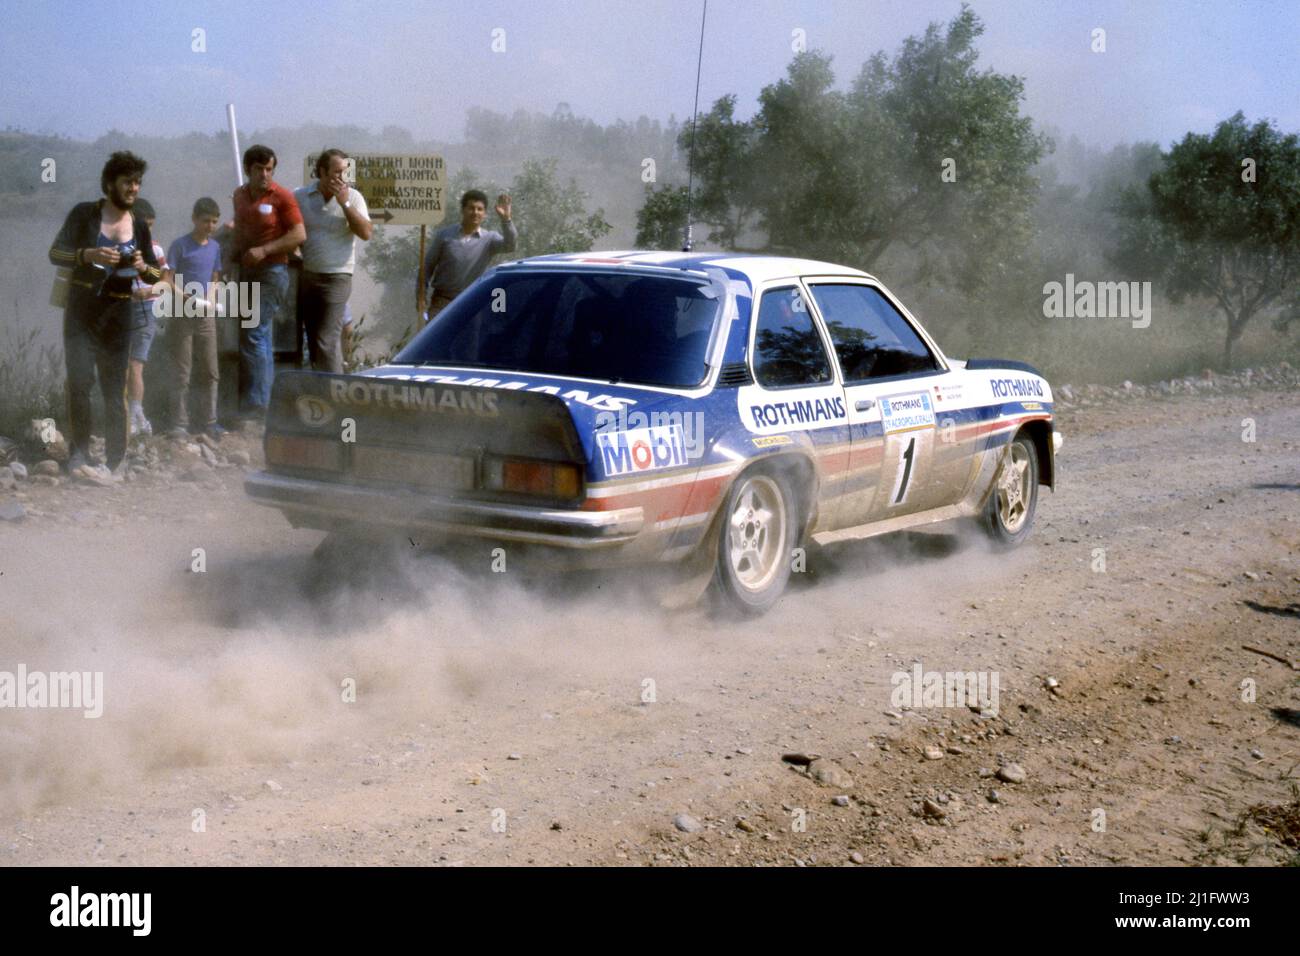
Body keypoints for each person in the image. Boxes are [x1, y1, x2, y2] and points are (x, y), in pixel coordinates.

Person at [48, 151, 164, 478]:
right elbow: (55, 253)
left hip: (119, 314)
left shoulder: (139, 225)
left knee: (115, 390)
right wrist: (88, 254)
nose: (134, 188)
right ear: (109, 183)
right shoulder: (84, 215)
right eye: (128, 181)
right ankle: (79, 453)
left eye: (138, 182)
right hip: (81, 313)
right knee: (80, 384)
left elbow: (158, 277)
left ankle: (116, 459)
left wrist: (143, 267)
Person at [230, 144, 304, 424]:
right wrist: (228, 260)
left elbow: (299, 234)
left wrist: (265, 250)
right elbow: (239, 230)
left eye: (269, 169)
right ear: (249, 169)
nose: (265, 174)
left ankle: (257, 406)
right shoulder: (239, 195)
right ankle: (265, 401)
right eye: (259, 169)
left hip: (273, 271)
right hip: (247, 271)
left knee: (254, 334)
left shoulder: (282, 197)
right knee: (258, 336)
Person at [294, 149, 372, 372]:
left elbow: (366, 232)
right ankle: (319, 392)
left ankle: (332, 393)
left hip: (337, 276)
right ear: (321, 171)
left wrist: (345, 204)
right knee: (313, 338)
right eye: (337, 172)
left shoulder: (354, 197)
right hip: (307, 275)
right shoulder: (299, 196)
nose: (341, 178)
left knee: (326, 339)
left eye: (345, 173)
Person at [163, 197, 224, 439]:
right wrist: (186, 297)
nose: (210, 226)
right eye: (206, 221)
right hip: (182, 314)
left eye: (214, 222)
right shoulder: (180, 245)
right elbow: (167, 279)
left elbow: (215, 277)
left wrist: (209, 299)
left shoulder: (215, 247)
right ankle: (178, 424)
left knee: (210, 370)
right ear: (194, 219)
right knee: (182, 371)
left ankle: (209, 421)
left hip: (205, 315)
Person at [418, 190, 515, 322]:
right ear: (463, 210)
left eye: (480, 209)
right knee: (437, 341)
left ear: (484, 214)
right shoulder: (445, 235)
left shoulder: (489, 239)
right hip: (442, 302)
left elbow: (510, 246)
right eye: (471, 208)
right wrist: (421, 296)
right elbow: (427, 267)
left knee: (470, 342)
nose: (475, 212)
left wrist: (506, 220)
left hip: (472, 302)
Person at [127, 197, 166, 436]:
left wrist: (149, 290)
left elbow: (166, 280)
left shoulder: (156, 249)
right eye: (145, 226)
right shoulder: (117, 246)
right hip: (119, 308)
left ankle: (136, 414)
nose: (148, 231)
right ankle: (126, 414)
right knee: (119, 364)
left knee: (135, 364)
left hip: (146, 307)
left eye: (151, 226)